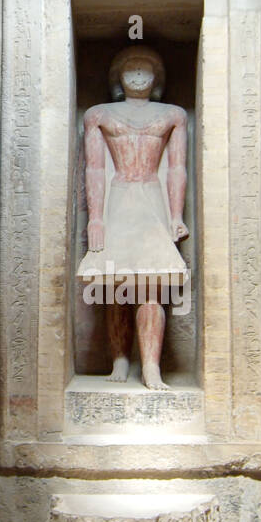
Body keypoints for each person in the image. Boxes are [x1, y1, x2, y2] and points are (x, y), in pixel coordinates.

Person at [77, 46, 189, 391]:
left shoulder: (173, 114)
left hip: (152, 199)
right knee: (117, 288)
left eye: (145, 71)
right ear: (118, 78)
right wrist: (95, 220)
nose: (138, 77)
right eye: (130, 71)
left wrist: (176, 216)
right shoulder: (99, 114)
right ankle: (120, 359)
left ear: (157, 78)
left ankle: (151, 367)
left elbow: (176, 168)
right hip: (120, 198)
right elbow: (94, 169)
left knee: (151, 286)